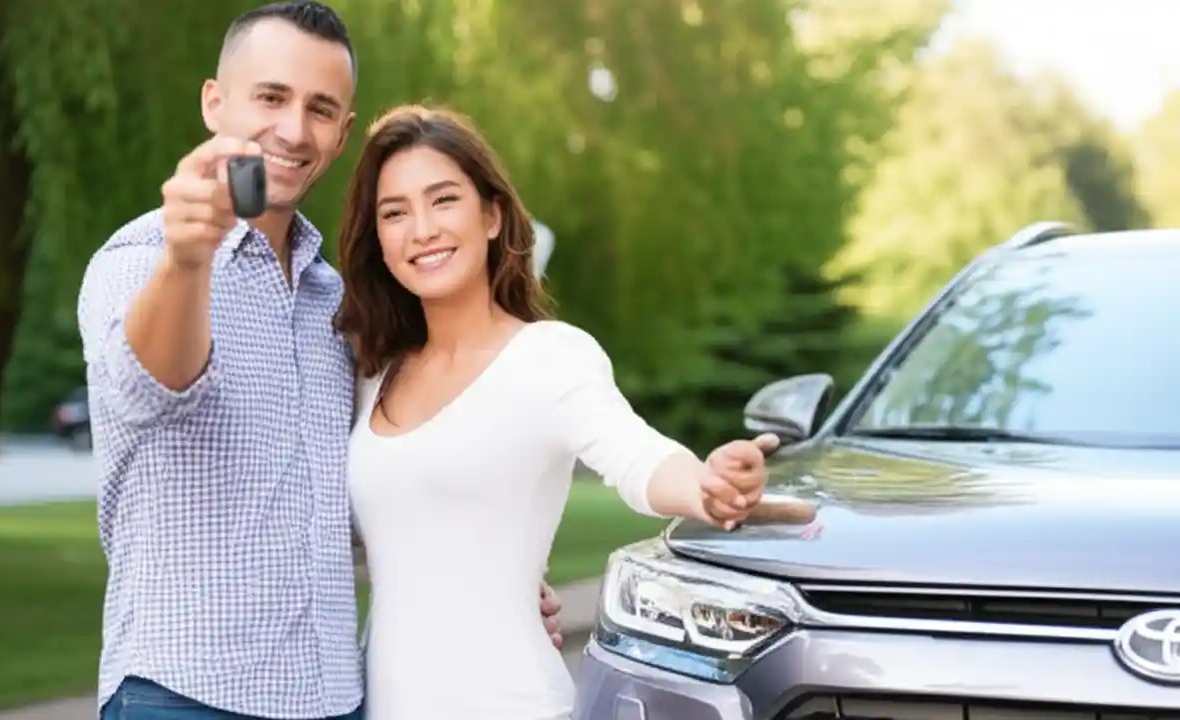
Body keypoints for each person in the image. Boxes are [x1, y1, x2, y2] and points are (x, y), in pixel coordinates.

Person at [76, 3, 563, 719]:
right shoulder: (141, 260)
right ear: (216, 102)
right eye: (271, 97)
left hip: (333, 697)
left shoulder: (339, 303)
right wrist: (187, 261)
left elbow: (350, 507)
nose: (294, 129)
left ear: (341, 134)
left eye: (321, 109)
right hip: (184, 694)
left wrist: (493, 579)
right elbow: (153, 387)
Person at [334, 104, 780, 720]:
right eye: (394, 212)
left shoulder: (549, 357)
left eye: (443, 200)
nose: (421, 229)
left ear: (491, 215)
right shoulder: (373, 374)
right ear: (377, 238)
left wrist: (708, 485)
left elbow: (637, 456)